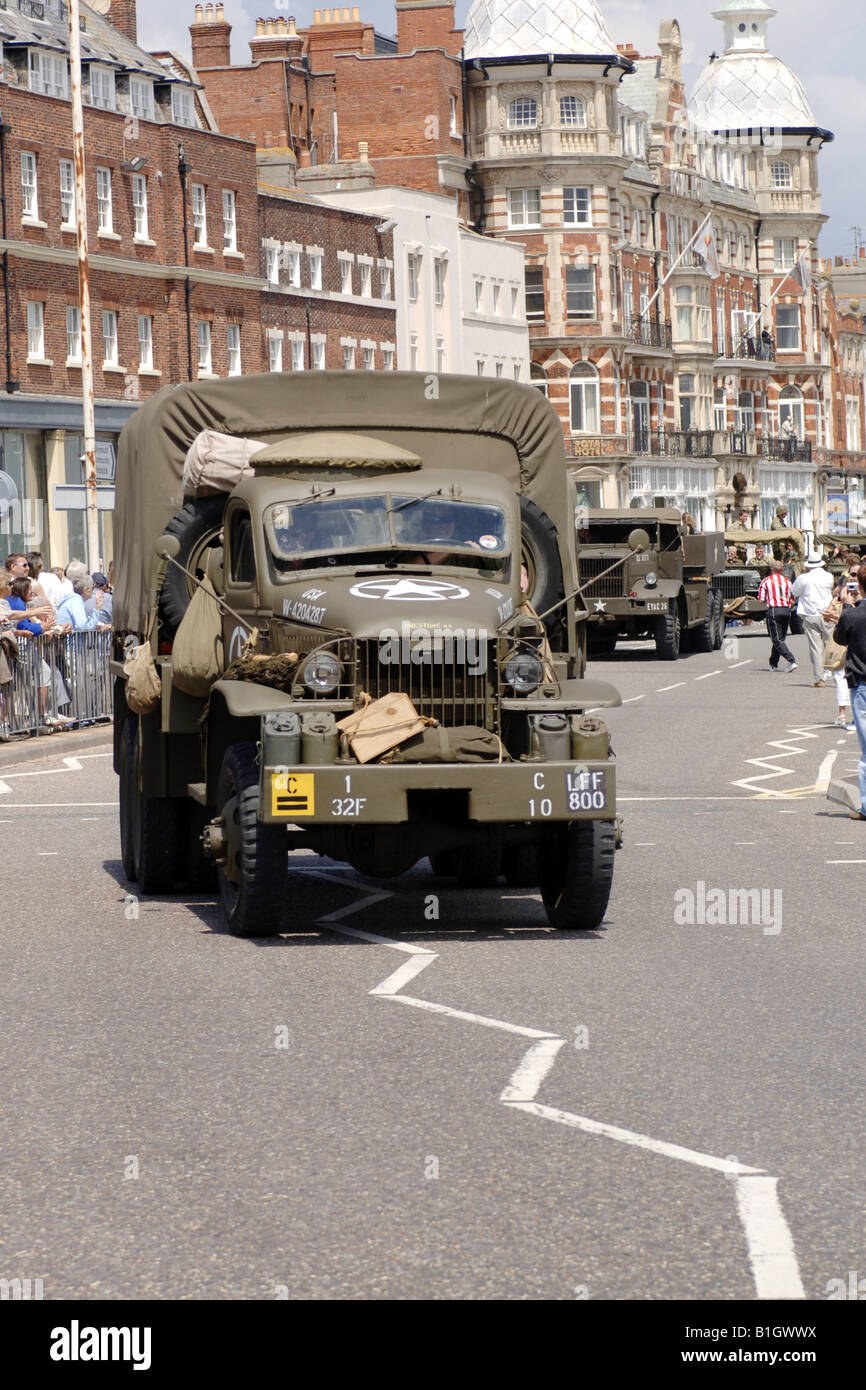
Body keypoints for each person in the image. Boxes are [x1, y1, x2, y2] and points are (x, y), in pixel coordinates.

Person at [833, 563, 866, 820]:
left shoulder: (853, 615)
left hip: (862, 686)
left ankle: (865, 808)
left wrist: (847, 606)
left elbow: (840, 639)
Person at [791, 552, 834, 685]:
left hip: (810, 614)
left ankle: (819, 678)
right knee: (829, 644)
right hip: (827, 613)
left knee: (816, 648)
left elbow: (794, 592)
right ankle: (833, 671)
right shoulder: (829, 576)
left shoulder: (804, 578)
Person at [823, 579, 856, 730]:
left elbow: (846, 621)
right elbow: (825, 616)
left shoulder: (854, 604)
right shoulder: (840, 602)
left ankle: (844, 714)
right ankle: (845, 714)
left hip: (845, 640)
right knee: (842, 676)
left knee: (841, 676)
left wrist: (834, 616)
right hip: (845, 640)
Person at [758, 561, 797, 672]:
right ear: (782, 570)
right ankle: (773, 664)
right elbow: (793, 600)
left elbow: (761, 599)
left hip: (774, 610)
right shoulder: (788, 582)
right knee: (780, 638)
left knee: (776, 639)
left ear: (772, 569)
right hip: (786, 610)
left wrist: (769, 599)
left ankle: (791, 660)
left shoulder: (766, 581)